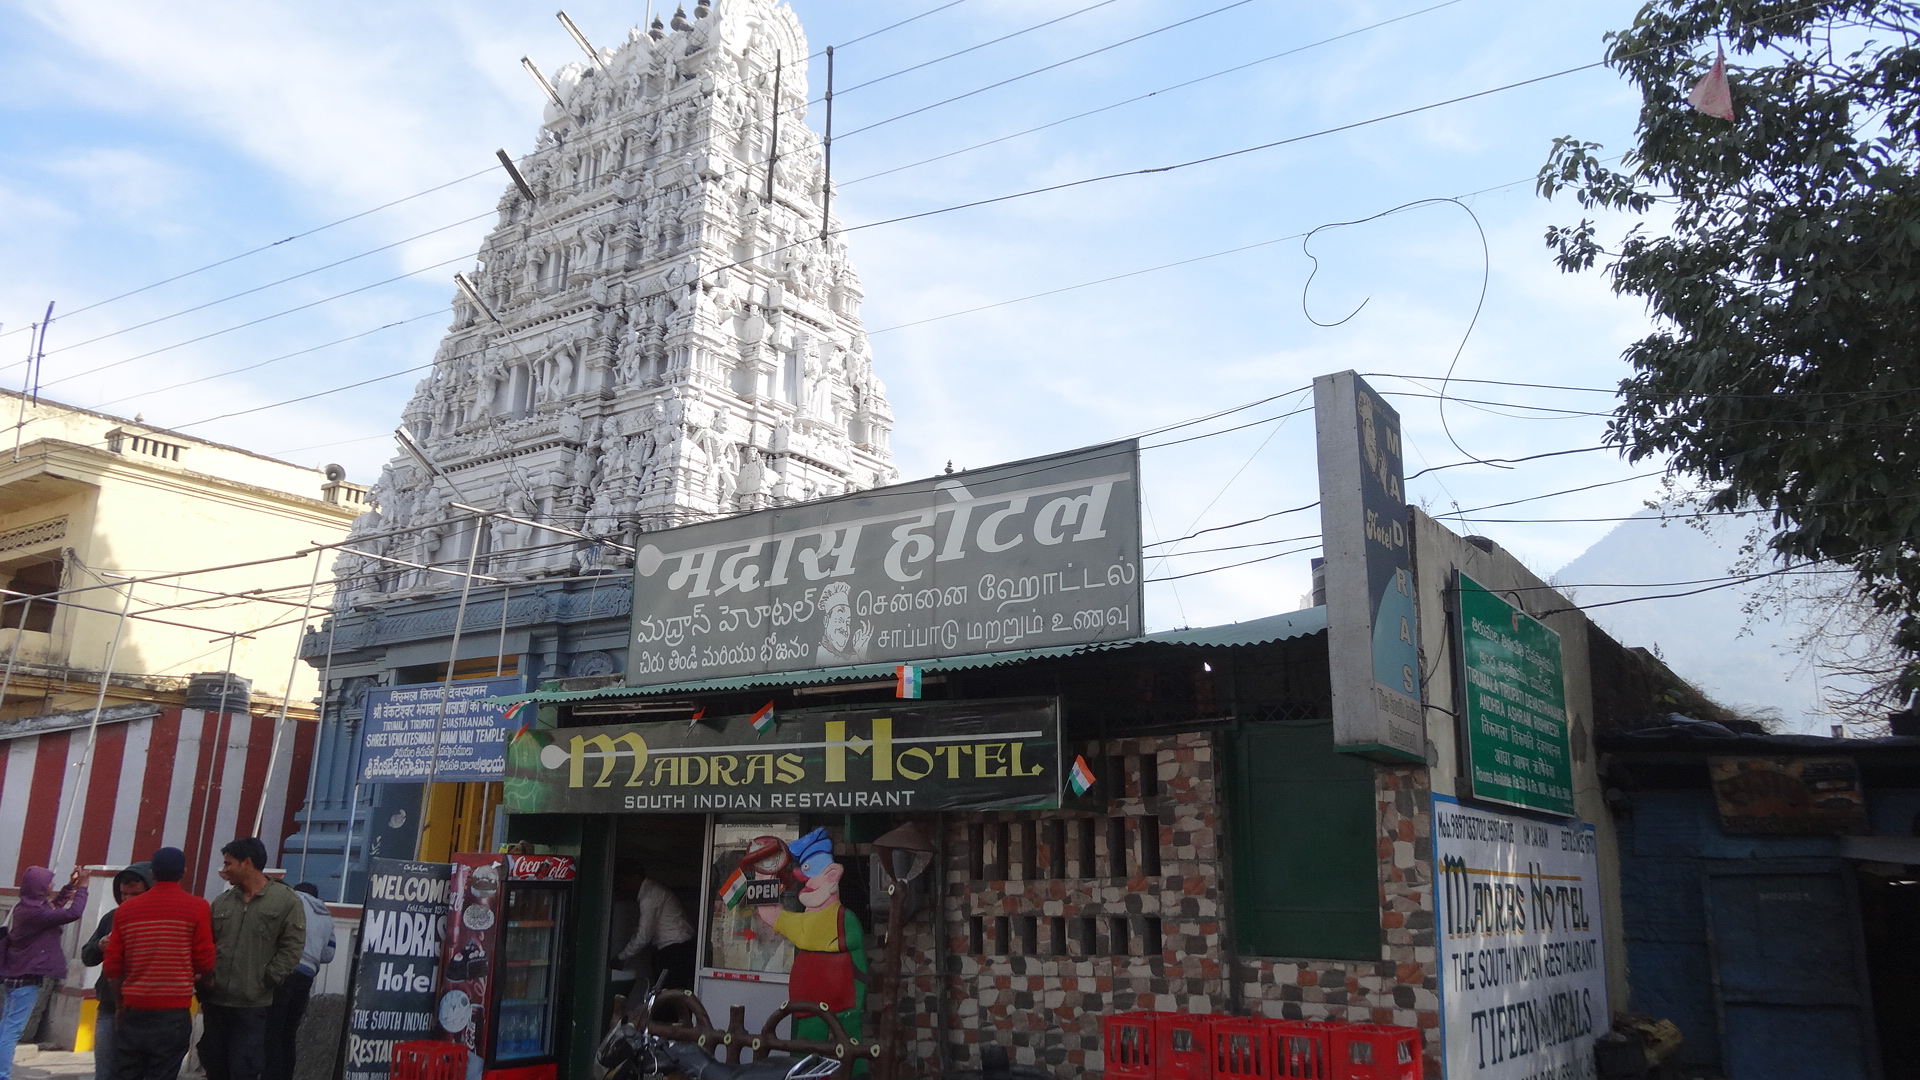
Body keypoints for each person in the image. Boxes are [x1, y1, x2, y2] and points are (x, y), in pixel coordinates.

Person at [102, 847, 214, 1080]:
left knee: (126, 1072)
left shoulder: (125, 911)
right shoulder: (198, 907)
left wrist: (121, 1005)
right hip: (173, 1014)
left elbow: (113, 966)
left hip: (134, 1010)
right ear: (183, 872)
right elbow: (204, 958)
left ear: (152, 873)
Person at [199, 838, 305, 1080]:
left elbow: (292, 946)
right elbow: (207, 943)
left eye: (229, 863)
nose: (224, 870)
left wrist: (267, 979)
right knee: (215, 1066)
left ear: (247, 862)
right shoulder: (222, 902)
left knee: (244, 1068)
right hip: (216, 1003)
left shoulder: (286, 900)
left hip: (252, 1005)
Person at [0, 865, 87, 1079]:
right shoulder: (35, 913)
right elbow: (73, 913)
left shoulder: (26, 908)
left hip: (16, 977)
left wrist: (70, 887)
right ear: (40, 887)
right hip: (26, 981)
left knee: (6, 1027)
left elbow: (53, 908)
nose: (51, 886)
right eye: (49, 883)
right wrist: (83, 888)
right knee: (12, 1030)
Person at [79, 864, 154, 1080]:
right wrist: (99, 946)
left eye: (135, 894)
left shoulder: (158, 919)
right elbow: (87, 956)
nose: (128, 900)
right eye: (124, 894)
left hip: (144, 1009)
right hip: (109, 1006)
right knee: (105, 1069)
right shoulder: (112, 917)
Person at [263, 883, 334, 1080]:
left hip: (284, 970)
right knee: (288, 1033)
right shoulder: (326, 916)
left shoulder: (291, 902)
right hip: (306, 977)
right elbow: (328, 954)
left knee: (272, 1031)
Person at [615, 864, 695, 992]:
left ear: (636, 877)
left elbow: (643, 936)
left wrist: (622, 957)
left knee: (668, 995)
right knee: (675, 995)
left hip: (674, 951)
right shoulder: (653, 891)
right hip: (679, 948)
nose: (623, 887)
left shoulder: (649, 896)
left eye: (625, 882)